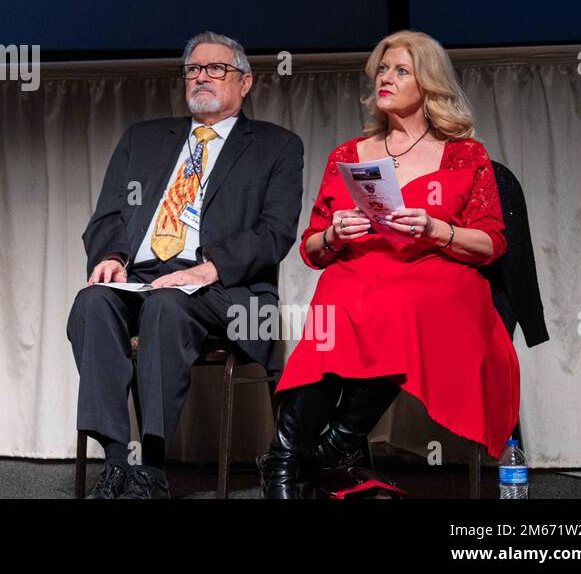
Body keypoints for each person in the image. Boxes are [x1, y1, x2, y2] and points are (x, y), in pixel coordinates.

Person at [259, 29, 520, 498]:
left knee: (404, 306)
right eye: (382, 68)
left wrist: (436, 229)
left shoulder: (465, 156)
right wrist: (335, 234)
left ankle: (331, 448)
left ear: (428, 84)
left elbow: (492, 243)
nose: (386, 77)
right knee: (332, 319)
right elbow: (312, 250)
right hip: (358, 271)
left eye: (401, 70)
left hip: (435, 273)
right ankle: (286, 461)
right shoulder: (348, 154)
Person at [69, 32, 304, 498]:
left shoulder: (275, 147)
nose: (201, 76)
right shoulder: (145, 138)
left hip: (220, 290)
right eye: (193, 69)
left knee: (169, 306)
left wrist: (207, 269)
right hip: (140, 279)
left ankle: (152, 468)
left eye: (216, 69)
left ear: (245, 82)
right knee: (91, 302)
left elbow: (275, 233)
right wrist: (113, 258)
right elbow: (109, 215)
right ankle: (118, 462)